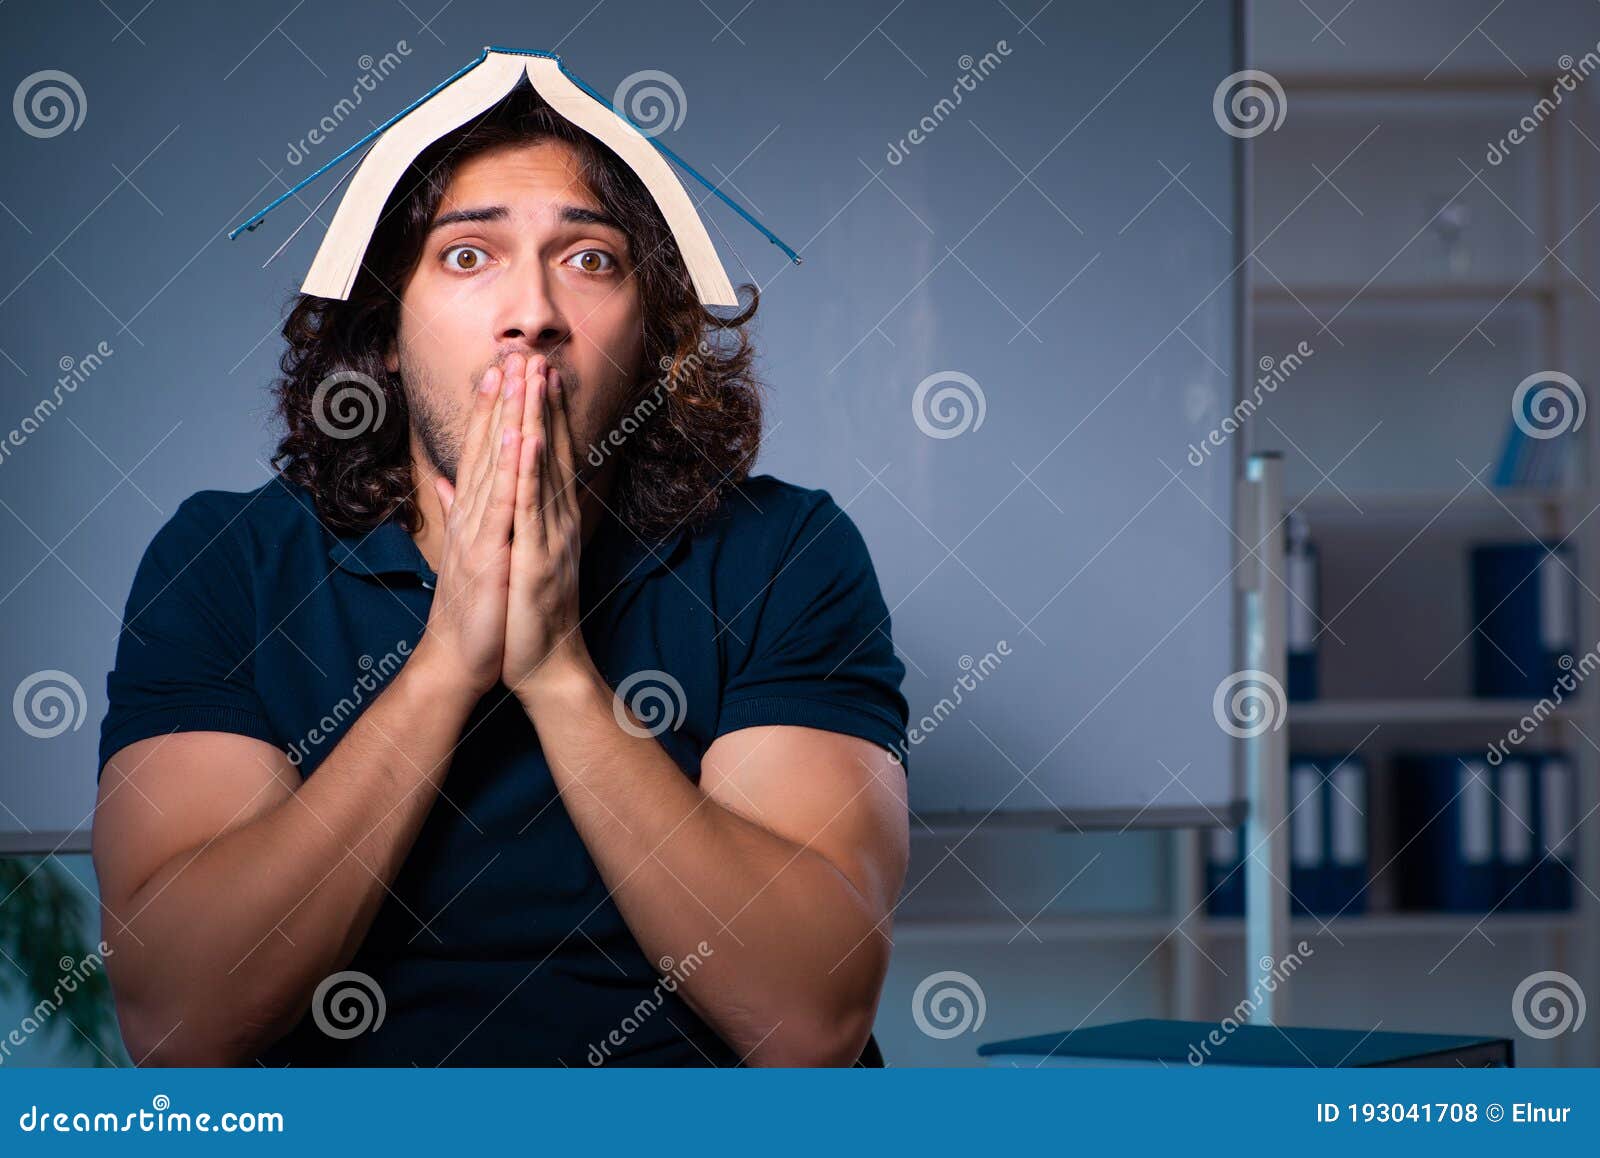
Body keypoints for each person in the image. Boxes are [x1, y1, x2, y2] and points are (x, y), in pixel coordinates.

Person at [92, 82, 911, 1067]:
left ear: (650, 341)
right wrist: (447, 663)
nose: (532, 312)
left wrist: (557, 670)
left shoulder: (782, 551)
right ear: (385, 335)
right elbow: (177, 1021)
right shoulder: (229, 563)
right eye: (468, 255)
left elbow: (809, 1023)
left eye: (590, 260)